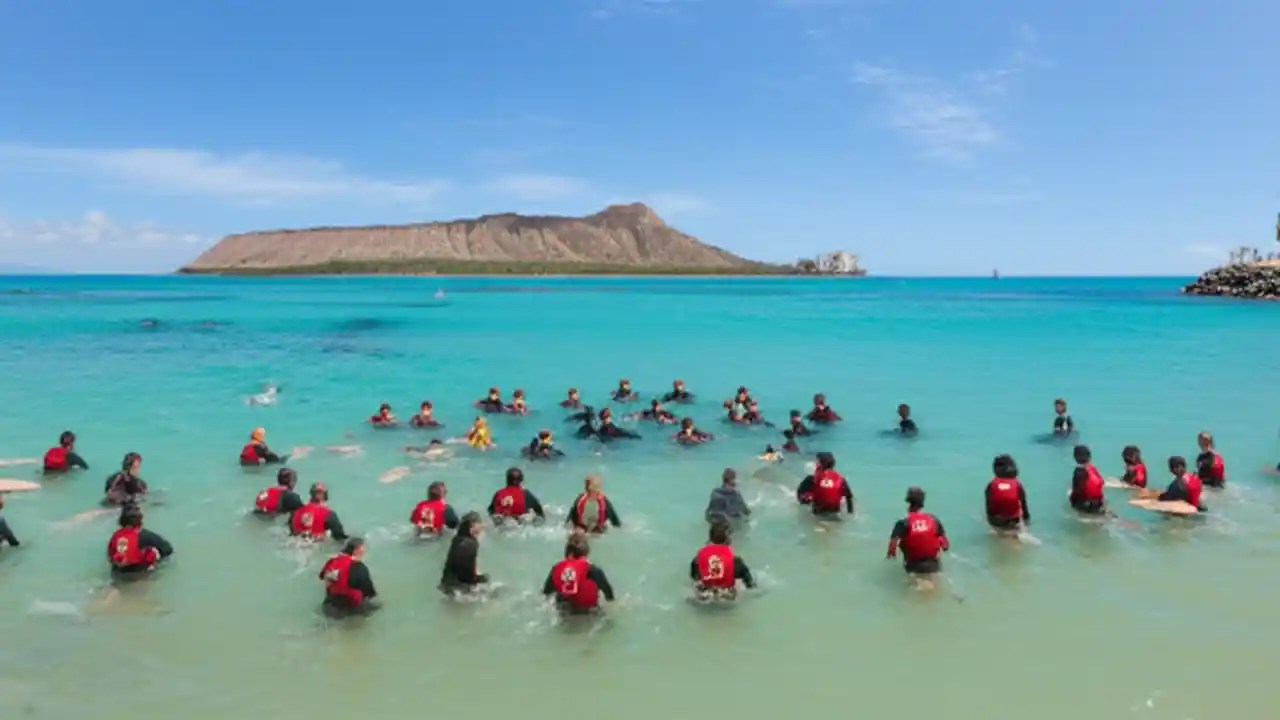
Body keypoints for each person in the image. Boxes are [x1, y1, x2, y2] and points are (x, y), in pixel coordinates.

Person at [543, 533, 615, 614]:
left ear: (568, 554)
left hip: (564, 611)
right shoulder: (593, 570)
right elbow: (609, 595)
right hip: (588, 612)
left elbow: (546, 593)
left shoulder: (556, 569)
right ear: (586, 554)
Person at [886, 487, 949, 576]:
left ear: (908, 502)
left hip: (913, 566)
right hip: (934, 566)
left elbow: (892, 549)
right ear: (922, 503)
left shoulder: (902, 523)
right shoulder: (934, 520)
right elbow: (946, 546)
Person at [691, 519, 755, 600]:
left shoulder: (697, 560)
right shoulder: (736, 562)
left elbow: (694, 579)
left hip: (705, 596)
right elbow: (750, 585)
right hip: (728, 599)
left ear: (709, 539)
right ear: (728, 540)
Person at [319, 537, 379, 617]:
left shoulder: (332, 561)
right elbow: (369, 591)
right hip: (351, 607)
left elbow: (322, 576)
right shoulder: (359, 567)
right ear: (356, 550)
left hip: (330, 604)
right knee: (378, 608)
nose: (364, 549)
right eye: (363, 547)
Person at [107, 503, 172, 575]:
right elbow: (168, 550)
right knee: (155, 552)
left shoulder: (116, 536)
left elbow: (110, 556)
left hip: (118, 573)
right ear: (140, 519)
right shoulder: (145, 535)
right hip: (139, 575)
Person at [440, 512, 491, 596]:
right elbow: (466, 572)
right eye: (479, 523)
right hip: (459, 589)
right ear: (472, 525)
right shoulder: (470, 543)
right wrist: (478, 579)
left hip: (446, 584)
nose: (482, 526)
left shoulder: (457, 539)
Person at [1136, 456, 1205, 511]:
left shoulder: (1177, 484)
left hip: (1185, 512)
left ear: (1176, 468)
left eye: (1171, 468)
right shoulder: (1195, 478)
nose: (1170, 471)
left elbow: (1166, 499)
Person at [795, 451, 854, 516]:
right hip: (834, 513)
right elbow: (849, 497)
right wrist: (850, 512)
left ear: (820, 464)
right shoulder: (841, 480)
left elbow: (800, 491)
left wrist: (804, 502)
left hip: (817, 513)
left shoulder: (812, 478)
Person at [985, 454, 1030, 531]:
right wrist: (1027, 519)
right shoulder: (1017, 485)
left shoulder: (991, 485)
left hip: (997, 520)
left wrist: (990, 519)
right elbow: (1024, 505)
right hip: (1014, 520)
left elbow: (988, 506)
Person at [1068, 444, 1106, 515]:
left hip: (1085, 505)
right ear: (1089, 457)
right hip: (1099, 502)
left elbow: (1077, 491)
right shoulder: (1092, 468)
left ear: (1075, 457)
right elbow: (1102, 482)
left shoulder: (1079, 471)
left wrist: (1071, 500)